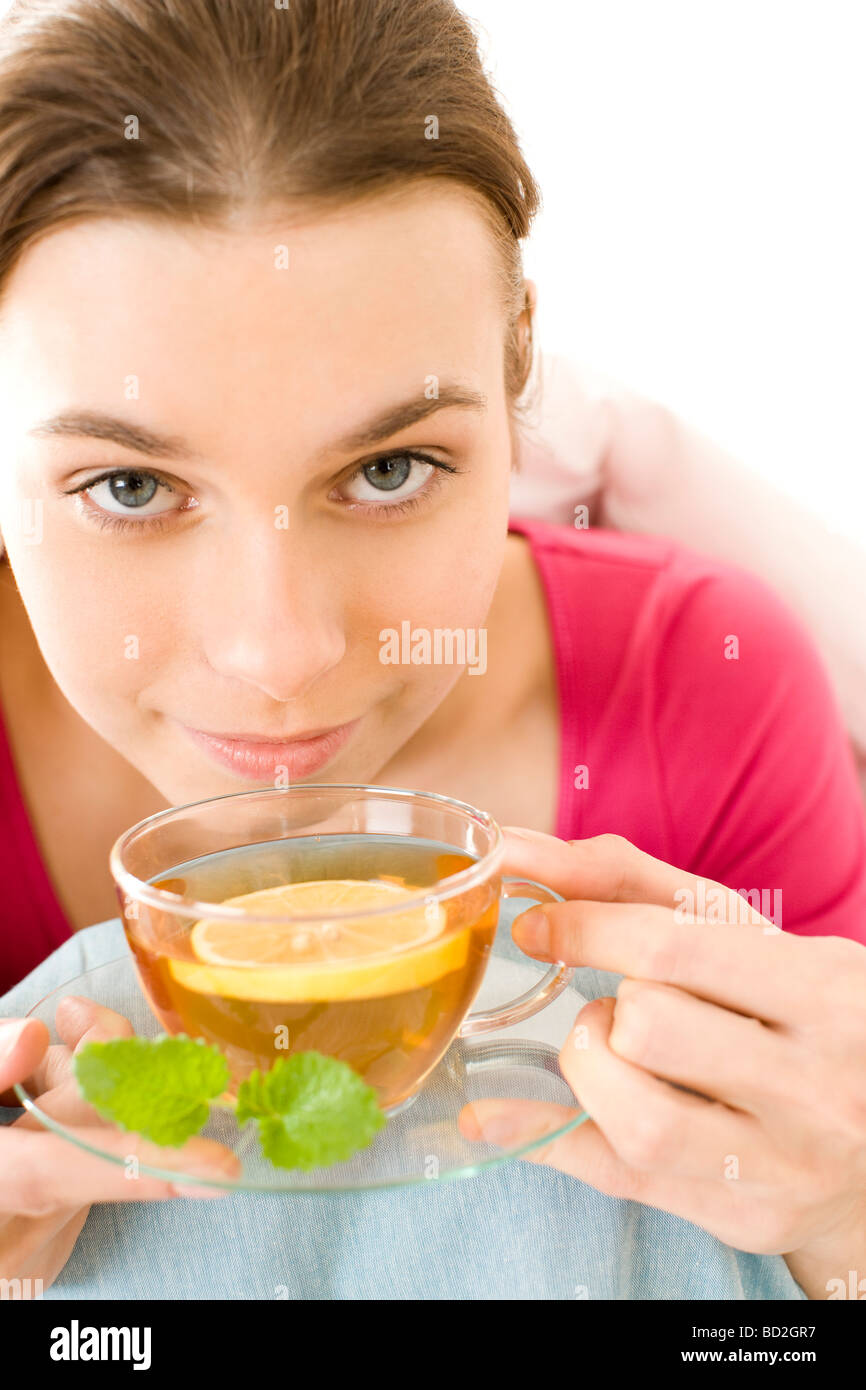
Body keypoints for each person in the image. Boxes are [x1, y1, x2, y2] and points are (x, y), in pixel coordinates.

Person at [0, 0, 864, 1299]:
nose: (278, 652)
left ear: (517, 394)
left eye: (391, 468)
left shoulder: (703, 691)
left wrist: (848, 1227)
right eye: (128, 486)